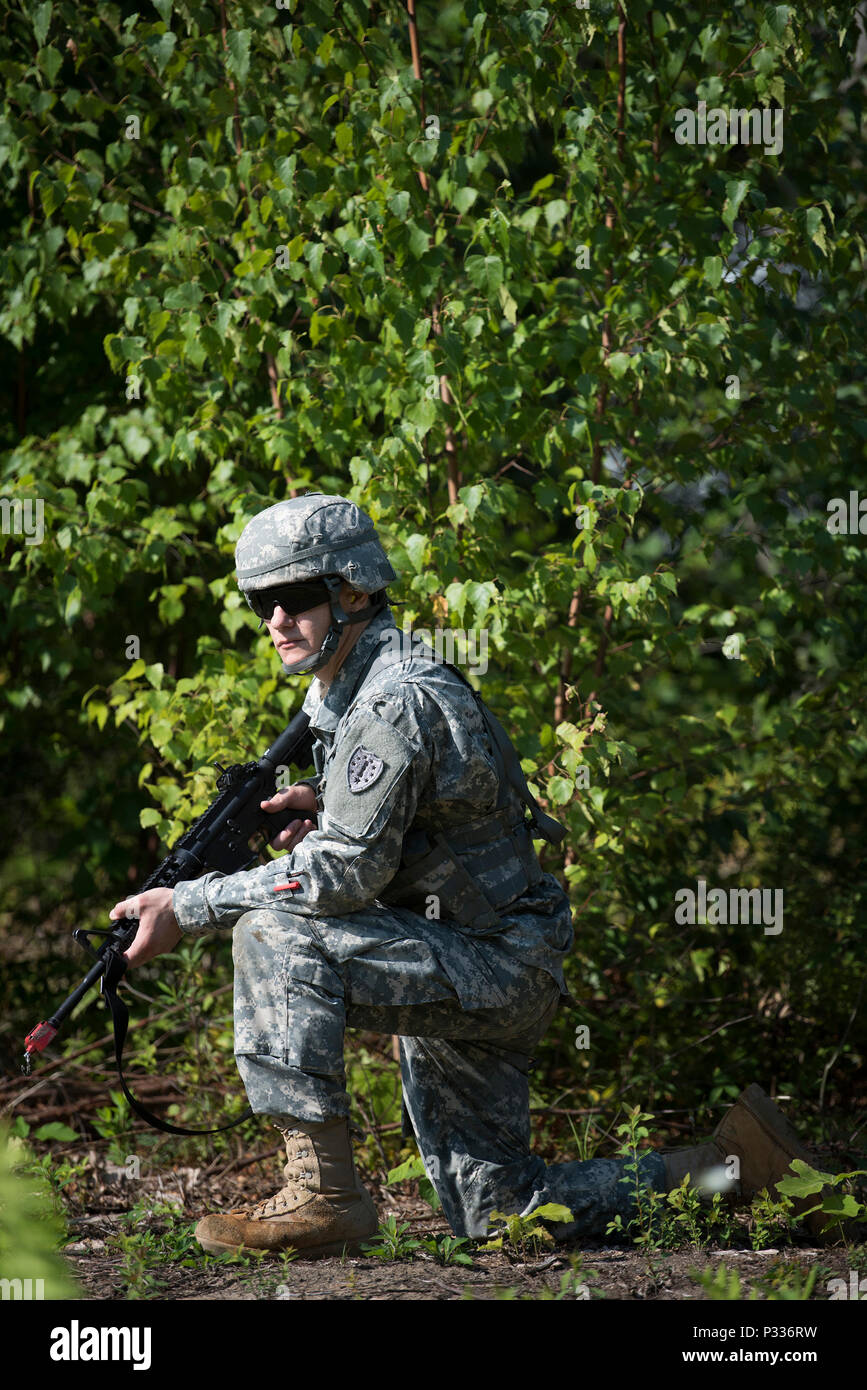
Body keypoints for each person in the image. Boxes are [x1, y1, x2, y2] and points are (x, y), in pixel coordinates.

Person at [110, 493, 824, 1256]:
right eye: (261, 603)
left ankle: (323, 1196)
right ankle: (732, 1169)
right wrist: (324, 808)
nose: (275, 621)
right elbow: (411, 822)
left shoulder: (392, 699)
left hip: (489, 961)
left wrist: (188, 905)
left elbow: (342, 877)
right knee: (503, 1214)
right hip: (464, 950)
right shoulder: (358, 688)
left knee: (273, 936)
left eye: (292, 598)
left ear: (351, 591)